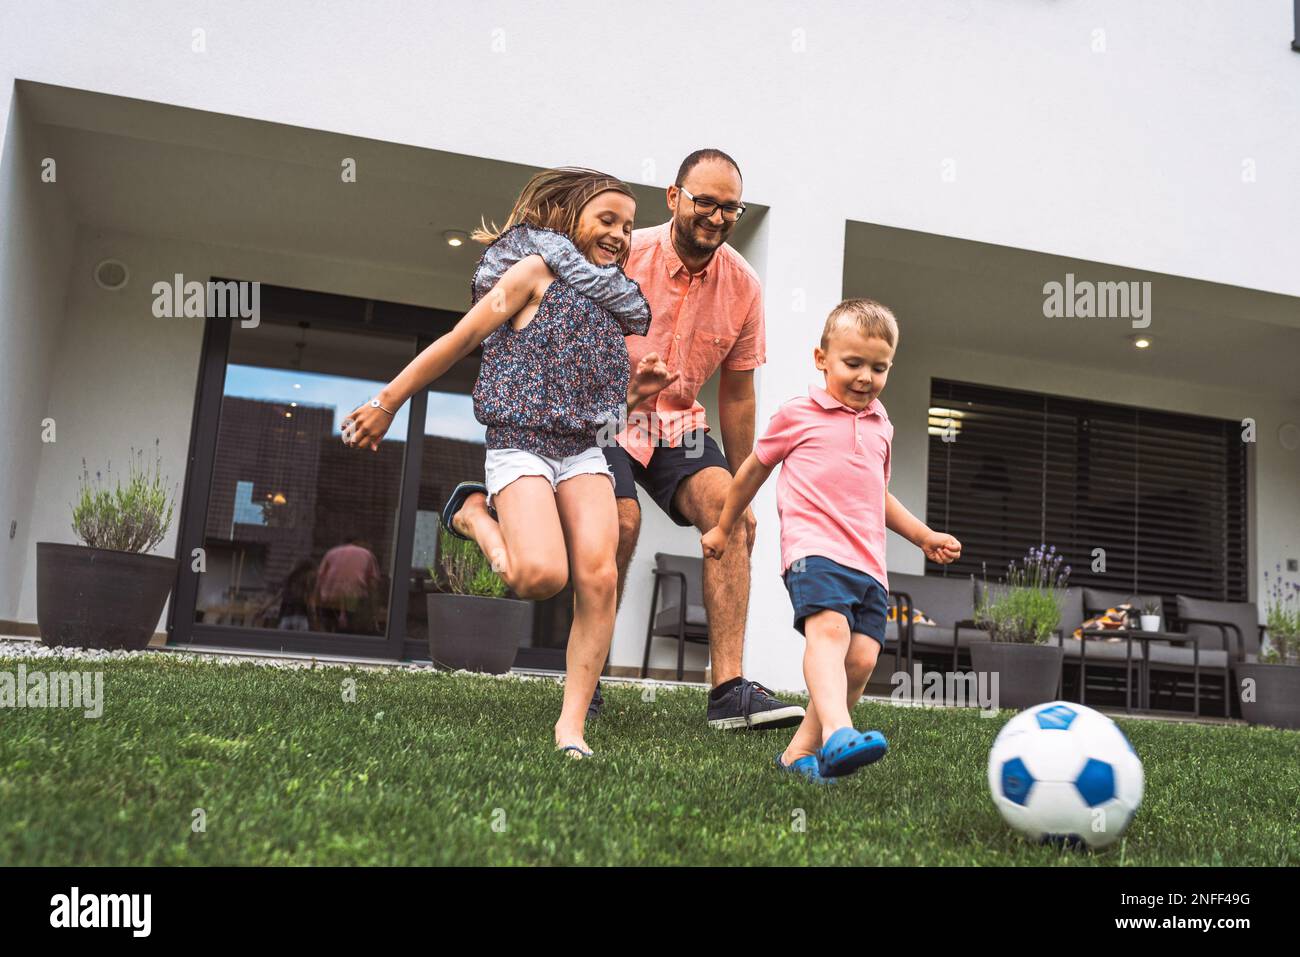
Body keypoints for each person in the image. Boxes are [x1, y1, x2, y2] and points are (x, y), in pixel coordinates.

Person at [341, 167, 676, 759]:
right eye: (607, 220)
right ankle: (474, 513)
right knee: (538, 578)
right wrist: (386, 401)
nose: (621, 235)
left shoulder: (609, 304)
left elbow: (595, 410)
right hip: (519, 441)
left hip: (581, 449)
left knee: (599, 576)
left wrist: (637, 396)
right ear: (568, 217)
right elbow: (458, 340)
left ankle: (570, 726)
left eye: (628, 226)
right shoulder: (531, 274)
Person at [701, 299, 963, 780]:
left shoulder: (881, 425)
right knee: (830, 634)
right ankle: (839, 733)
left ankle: (797, 755)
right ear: (821, 359)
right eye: (853, 363)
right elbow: (751, 472)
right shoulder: (797, 415)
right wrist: (723, 525)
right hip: (813, 551)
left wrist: (923, 536)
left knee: (861, 660)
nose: (866, 377)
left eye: (879, 367)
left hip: (868, 564)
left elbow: (877, 494)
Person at [597, 148, 804, 730]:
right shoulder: (622, 255)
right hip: (609, 414)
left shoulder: (744, 286)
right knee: (622, 521)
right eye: (704, 202)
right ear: (674, 197)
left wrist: (745, 488)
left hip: (677, 424)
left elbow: (737, 396)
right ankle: (586, 679)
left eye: (729, 207)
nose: (716, 216)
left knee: (728, 517)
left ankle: (730, 693)